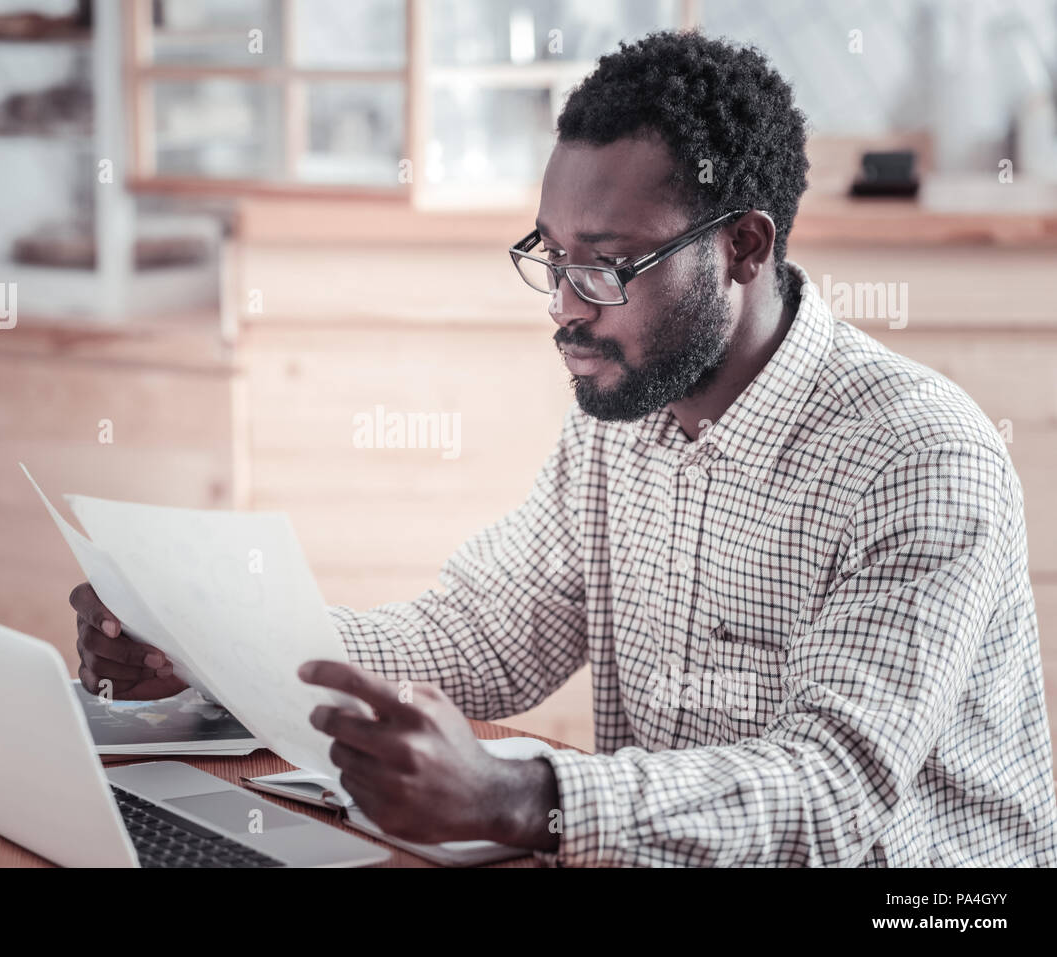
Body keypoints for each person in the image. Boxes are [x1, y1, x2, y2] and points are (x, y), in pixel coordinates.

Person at [71, 31, 1057, 867]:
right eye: (551, 255)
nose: (563, 308)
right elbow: (482, 636)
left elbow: (830, 794)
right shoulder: (623, 413)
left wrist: (519, 798)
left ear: (743, 248)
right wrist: (205, 645)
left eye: (609, 265)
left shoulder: (918, 459)